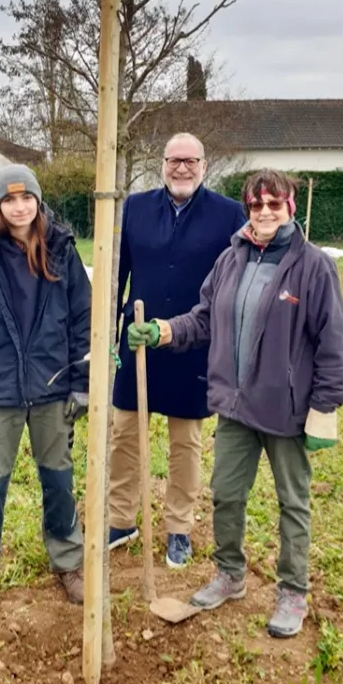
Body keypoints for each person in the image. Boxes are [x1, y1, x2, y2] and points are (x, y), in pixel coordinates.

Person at [128, 168, 343, 638]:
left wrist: (324, 409)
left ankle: (293, 592)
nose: (265, 212)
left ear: (290, 207)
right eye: (257, 205)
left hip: (287, 411)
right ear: (248, 209)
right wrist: (165, 330)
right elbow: (205, 317)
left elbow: (334, 345)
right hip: (234, 406)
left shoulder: (312, 266)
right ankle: (230, 575)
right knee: (227, 494)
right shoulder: (232, 259)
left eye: (275, 204)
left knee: (293, 503)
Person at [0, 164, 92, 619]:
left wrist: (82, 383)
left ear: (37, 199)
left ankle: (68, 564)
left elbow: (83, 323)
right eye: (9, 200)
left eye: (26, 197)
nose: (19, 206)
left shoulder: (61, 250)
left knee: (59, 481)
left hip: (51, 387)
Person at [108, 133, 246, 568]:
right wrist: (109, 333)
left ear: (204, 165)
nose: (181, 168)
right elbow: (118, 276)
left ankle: (179, 529)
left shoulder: (228, 215)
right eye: (173, 160)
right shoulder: (135, 208)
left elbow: (234, 284)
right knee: (124, 434)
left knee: (184, 443)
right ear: (162, 163)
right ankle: (120, 518)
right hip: (138, 343)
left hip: (194, 345)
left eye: (190, 161)